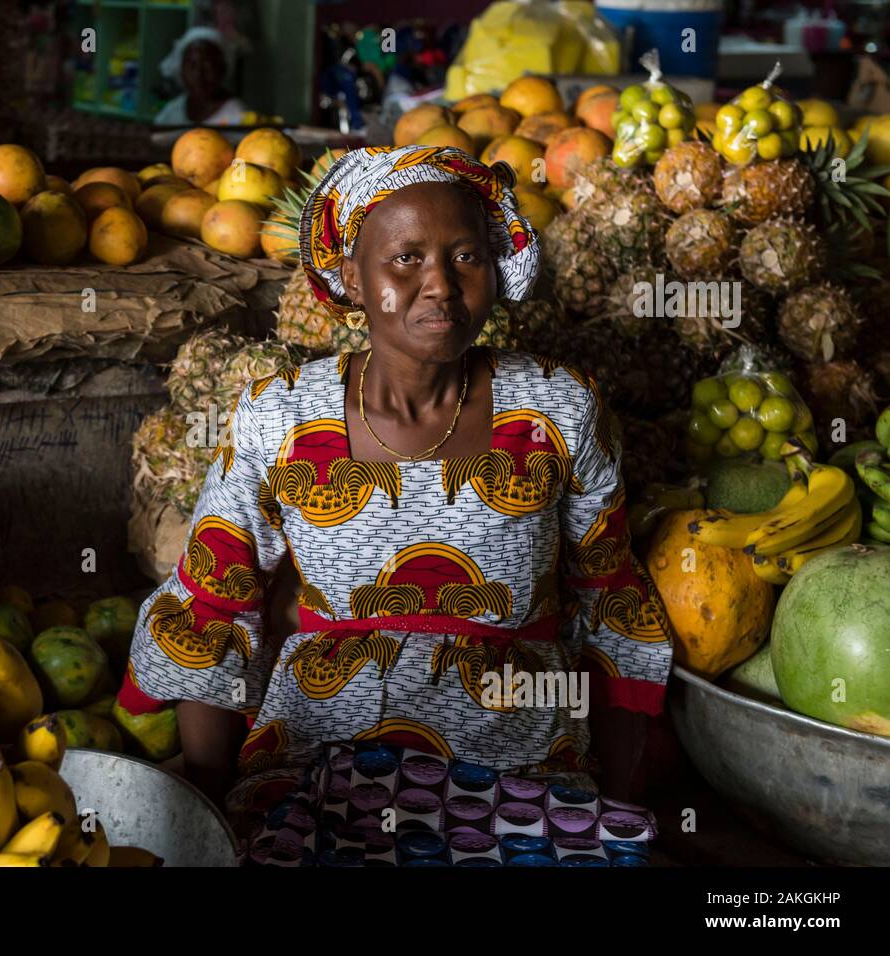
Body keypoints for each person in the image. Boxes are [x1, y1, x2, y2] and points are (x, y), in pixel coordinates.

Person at [116, 145, 675, 867]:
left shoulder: (559, 406)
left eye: (466, 256)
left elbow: (611, 601)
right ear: (351, 278)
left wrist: (614, 793)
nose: (439, 285)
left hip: (520, 762)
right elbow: (214, 601)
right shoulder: (280, 414)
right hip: (316, 752)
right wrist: (213, 794)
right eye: (405, 259)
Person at [153, 26, 247, 126]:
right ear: (180, 69)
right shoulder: (171, 113)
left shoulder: (239, 116)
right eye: (192, 66)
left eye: (208, 67)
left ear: (223, 69)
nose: (199, 74)